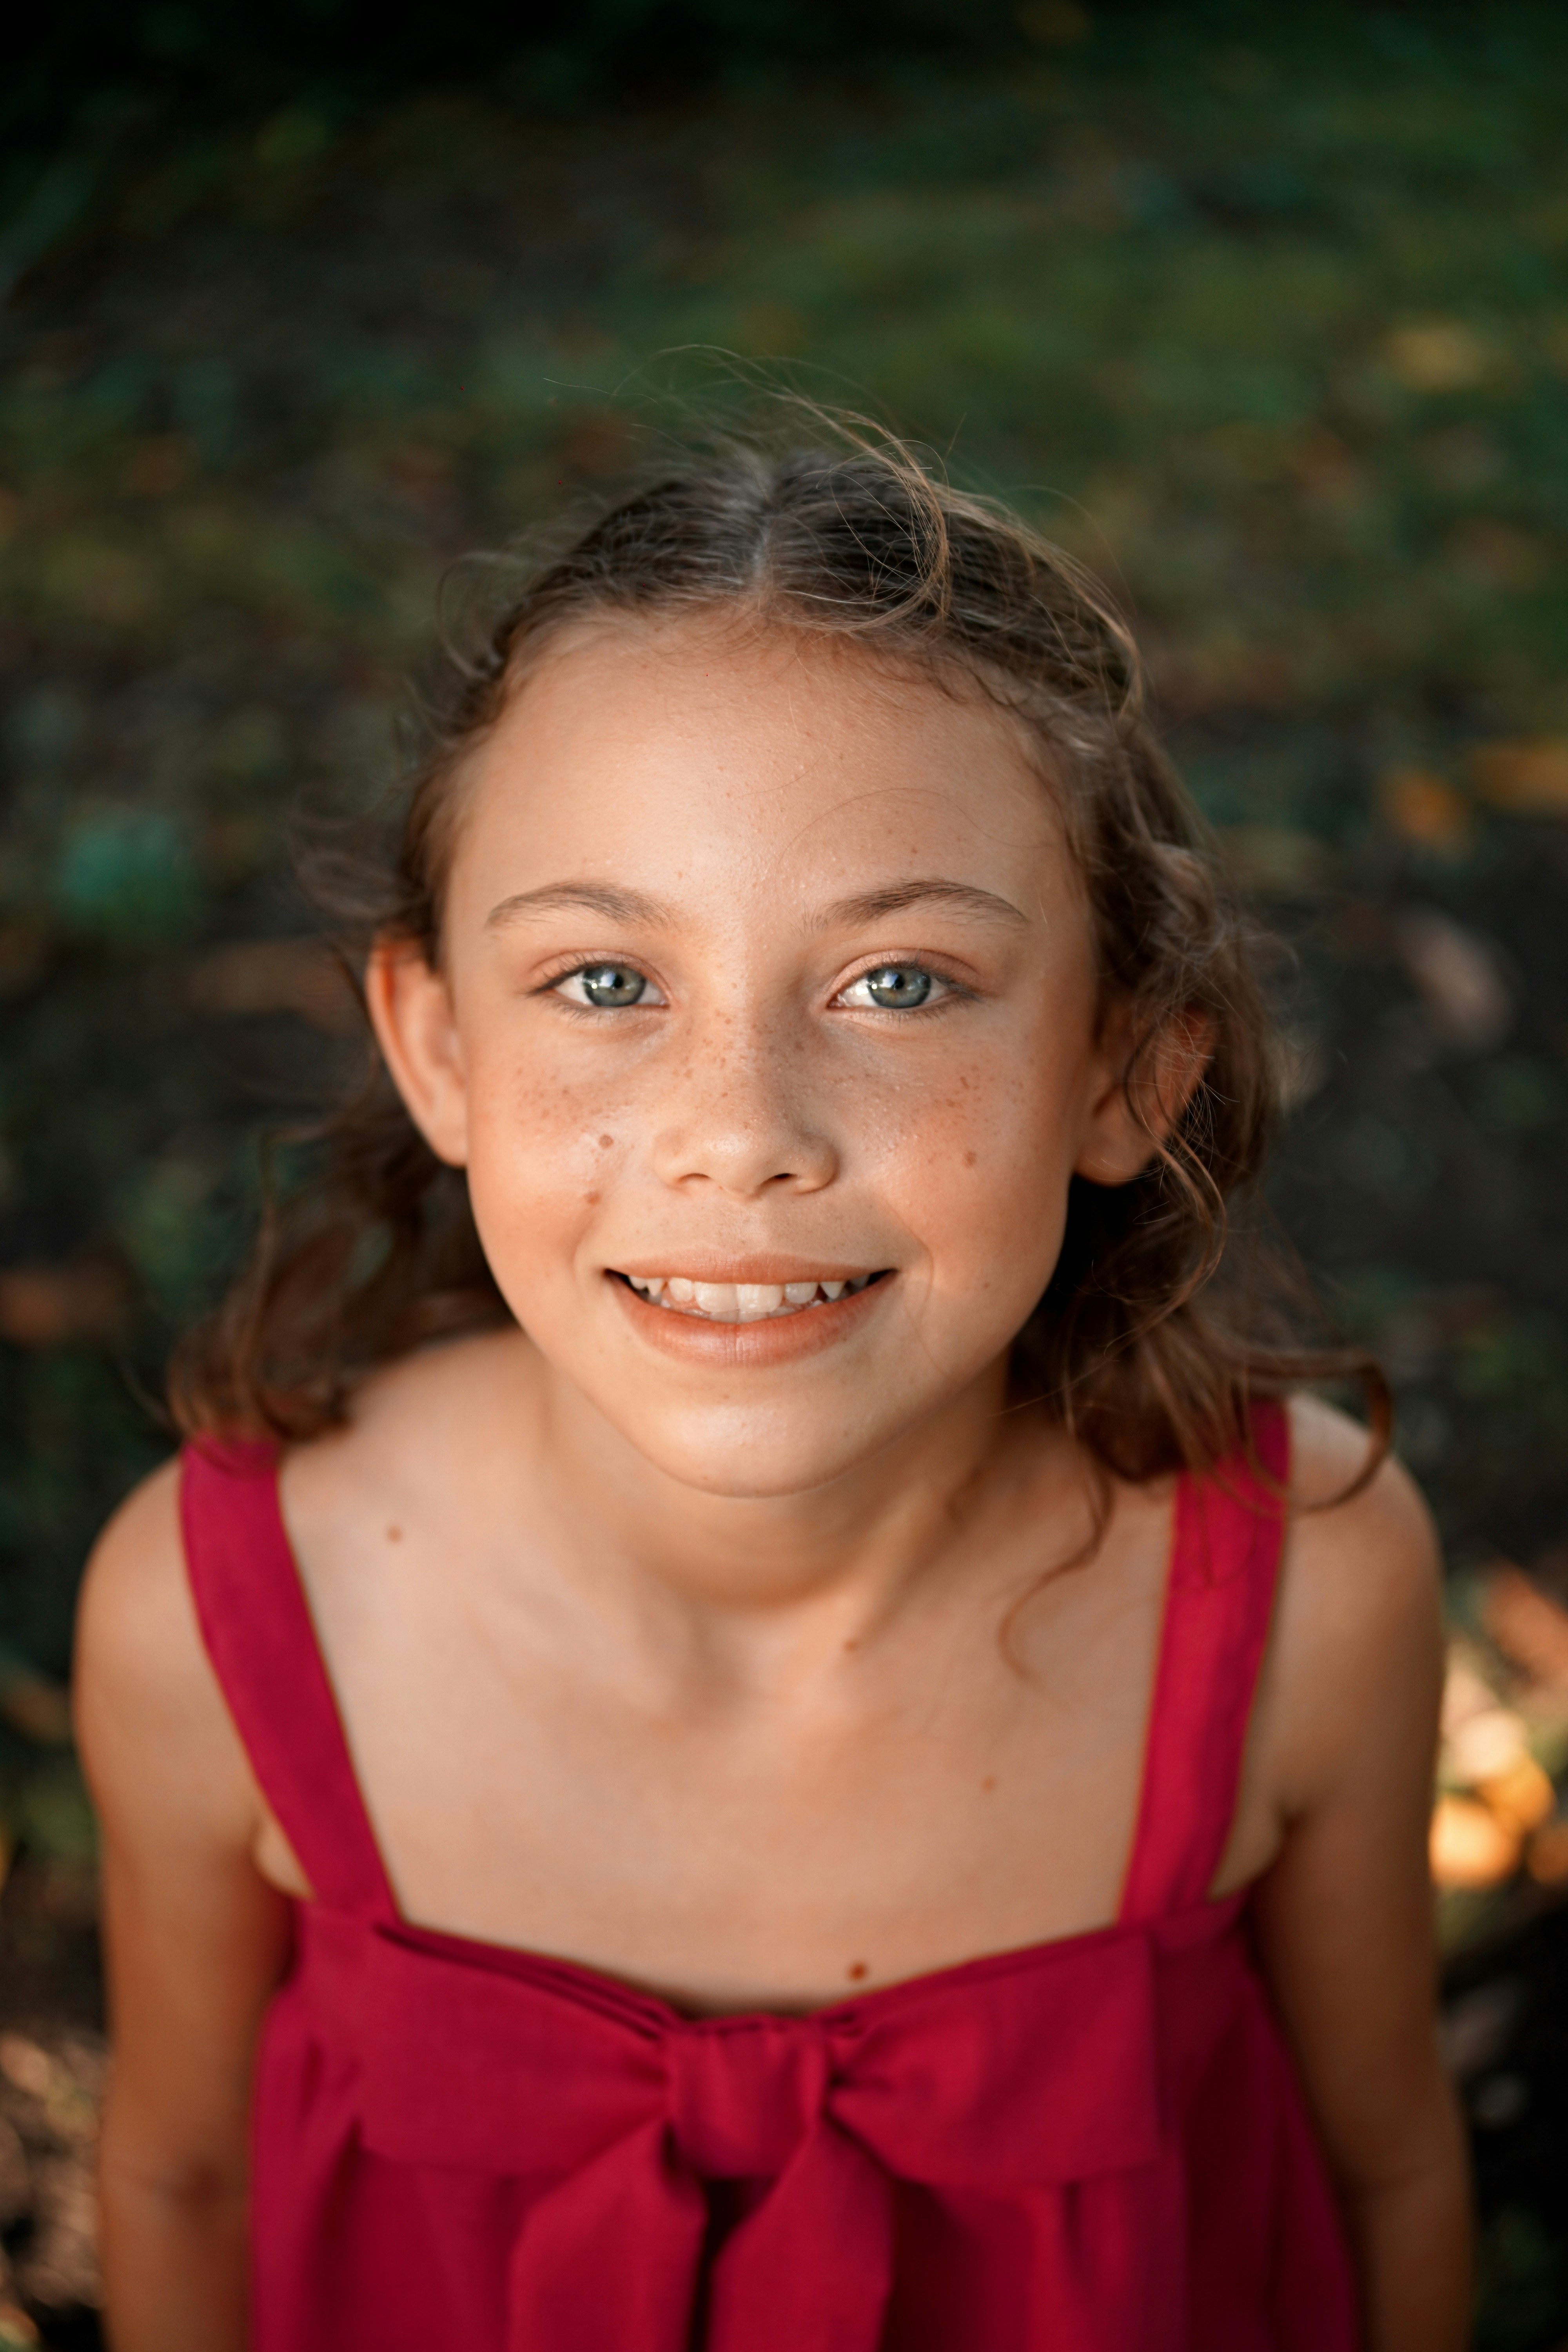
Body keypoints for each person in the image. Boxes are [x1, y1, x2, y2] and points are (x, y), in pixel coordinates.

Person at [76, 423, 1471, 2352]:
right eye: (602, 983)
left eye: (898, 983)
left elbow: (1383, 2165)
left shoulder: (1307, 1589)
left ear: (1123, 1067)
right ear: (437, 1043)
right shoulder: (217, 1621)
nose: (738, 1140)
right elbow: (175, 2183)